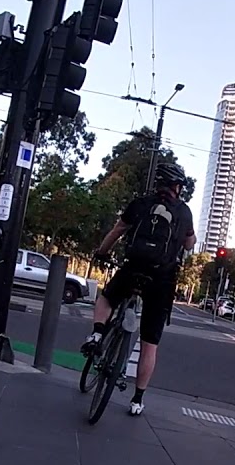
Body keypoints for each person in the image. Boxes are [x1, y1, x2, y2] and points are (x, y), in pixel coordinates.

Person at [83, 162, 196, 416]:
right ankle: (137, 399)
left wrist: (101, 252)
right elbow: (189, 245)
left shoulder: (140, 204)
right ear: (178, 187)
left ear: (158, 183)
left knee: (107, 298)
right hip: (162, 279)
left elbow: (118, 231)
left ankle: (97, 334)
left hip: (133, 268)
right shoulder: (184, 212)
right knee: (149, 344)